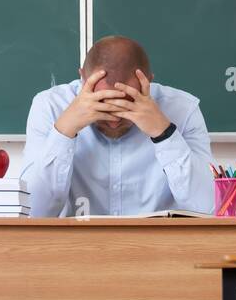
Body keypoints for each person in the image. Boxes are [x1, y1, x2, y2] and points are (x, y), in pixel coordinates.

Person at [19, 35, 215, 217]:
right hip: (74, 248)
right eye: (102, 103)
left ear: (148, 82)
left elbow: (210, 208)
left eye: (127, 105)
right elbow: (33, 212)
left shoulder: (183, 110)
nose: (114, 120)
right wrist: (64, 131)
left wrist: (164, 134)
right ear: (82, 79)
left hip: (159, 249)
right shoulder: (50, 107)